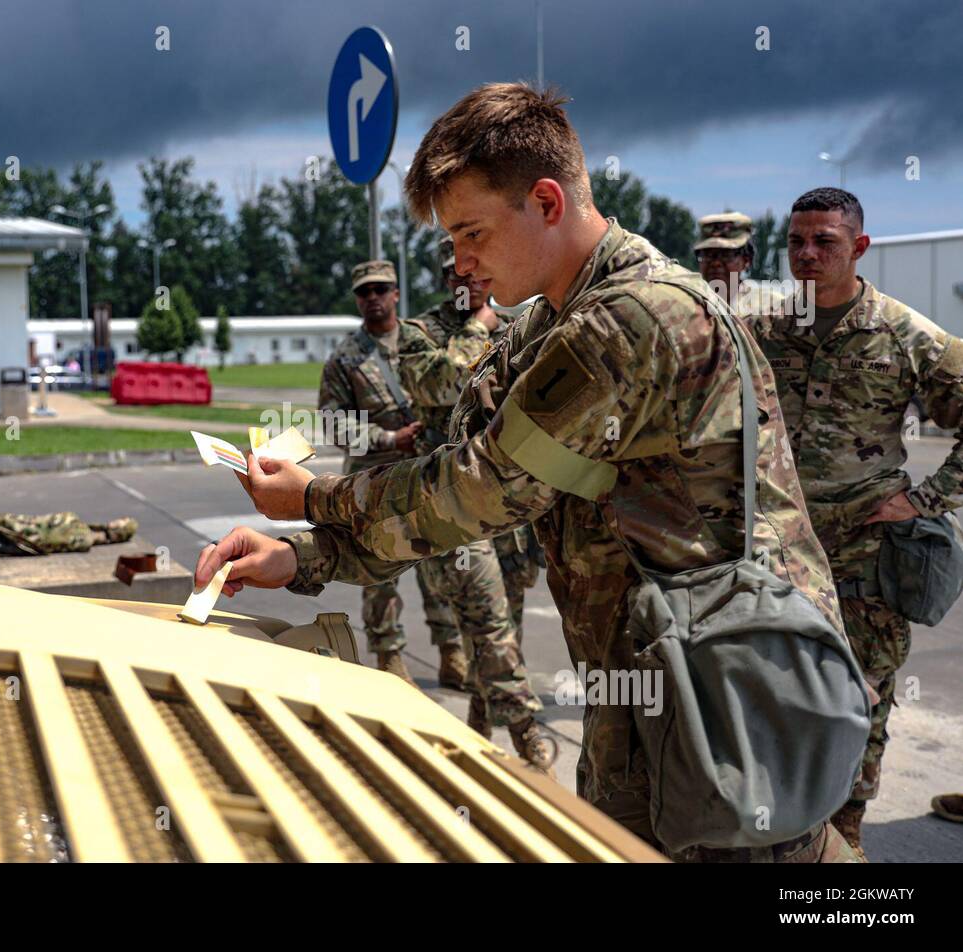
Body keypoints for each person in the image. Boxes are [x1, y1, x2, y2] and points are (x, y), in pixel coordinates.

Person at [198, 82, 860, 861]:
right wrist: (307, 554)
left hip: (725, 702)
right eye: (450, 241)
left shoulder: (632, 320)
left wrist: (312, 498)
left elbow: (477, 491)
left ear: (546, 200)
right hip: (653, 691)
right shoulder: (548, 321)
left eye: (472, 232)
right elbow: (458, 472)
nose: (462, 262)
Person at [753, 187, 963, 855]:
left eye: (825, 242)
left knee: (864, 699)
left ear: (860, 248)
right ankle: (784, 828)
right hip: (779, 552)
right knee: (773, 691)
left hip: (865, 557)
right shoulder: (765, 328)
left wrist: (925, 501)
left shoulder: (904, 334)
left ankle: (846, 837)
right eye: (796, 242)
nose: (807, 255)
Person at [397, 237, 549, 754]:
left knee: (504, 630)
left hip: (509, 506)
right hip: (452, 507)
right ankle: (532, 750)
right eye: (457, 273)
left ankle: (479, 741)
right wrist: (474, 328)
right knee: (487, 625)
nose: (469, 281)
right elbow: (436, 386)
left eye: (476, 271)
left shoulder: (515, 330)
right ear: (446, 279)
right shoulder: (419, 334)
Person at [316, 259, 468, 689]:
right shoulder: (345, 358)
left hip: (427, 473)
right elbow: (334, 423)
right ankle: (388, 657)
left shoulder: (424, 340)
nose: (374, 298)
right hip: (375, 481)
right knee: (379, 571)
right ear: (358, 300)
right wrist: (386, 438)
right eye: (365, 292)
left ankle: (452, 652)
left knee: (440, 567)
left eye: (381, 289)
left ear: (396, 293)